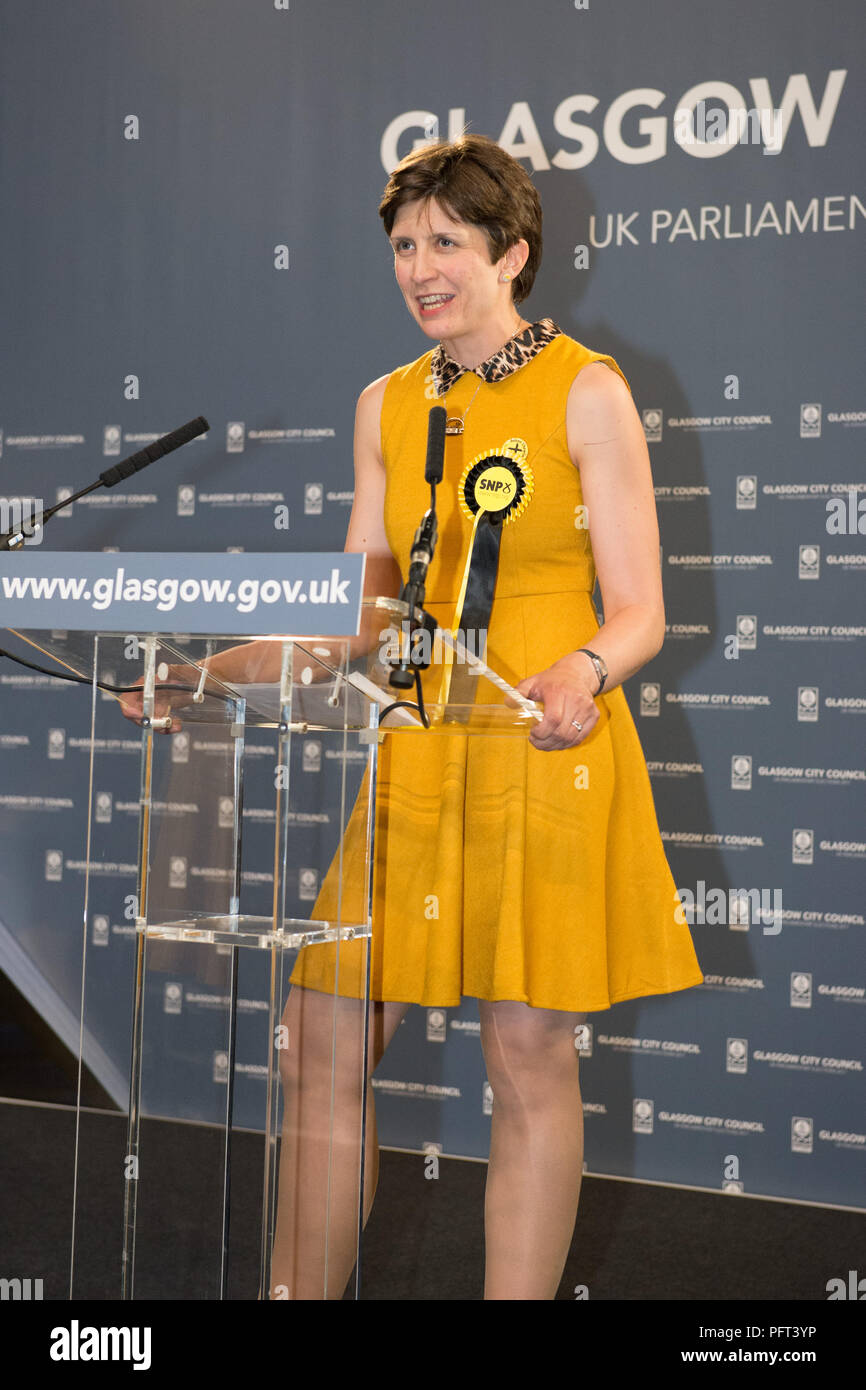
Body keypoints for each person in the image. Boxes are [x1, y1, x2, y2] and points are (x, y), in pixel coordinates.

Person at [122, 133, 704, 1301]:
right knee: (321, 1033)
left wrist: (583, 668)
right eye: (403, 245)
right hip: (416, 753)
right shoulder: (383, 404)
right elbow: (354, 616)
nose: (421, 267)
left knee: (525, 1050)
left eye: (447, 242)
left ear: (512, 253)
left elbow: (638, 608)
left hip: (546, 746)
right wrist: (211, 672)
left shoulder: (587, 387)